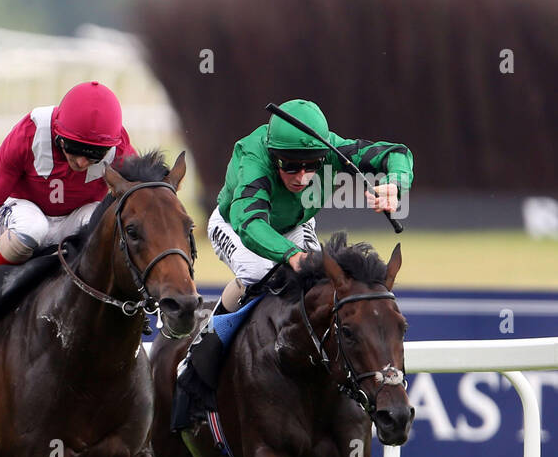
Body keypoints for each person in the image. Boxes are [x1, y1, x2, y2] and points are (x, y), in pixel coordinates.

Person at [172, 98, 414, 430]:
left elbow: (396, 153)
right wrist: (291, 255)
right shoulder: (253, 159)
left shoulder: (332, 149)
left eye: (312, 166)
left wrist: (397, 184)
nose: (302, 178)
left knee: (320, 287)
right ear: (274, 157)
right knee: (260, 272)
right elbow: (251, 224)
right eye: (290, 167)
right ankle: (198, 363)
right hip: (237, 226)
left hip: (296, 226)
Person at [0, 80, 138, 307]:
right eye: (75, 148)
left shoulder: (121, 150)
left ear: (110, 147)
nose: (82, 162)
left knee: (105, 223)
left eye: (95, 154)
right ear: (59, 135)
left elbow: (142, 206)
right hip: (23, 210)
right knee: (32, 228)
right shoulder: (27, 135)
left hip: (78, 219)